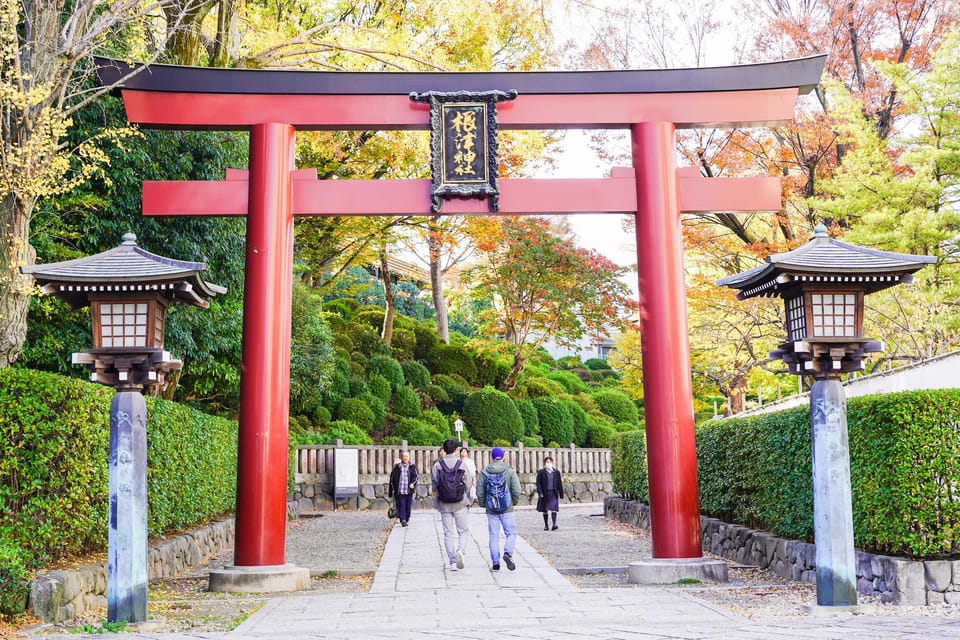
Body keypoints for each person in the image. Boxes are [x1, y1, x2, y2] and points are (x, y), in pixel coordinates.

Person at [432, 438, 475, 572]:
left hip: (444, 503)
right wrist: (464, 495)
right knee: (463, 531)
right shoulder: (462, 464)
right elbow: (468, 483)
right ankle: (460, 550)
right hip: (460, 503)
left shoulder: (437, 465)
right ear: (456, 450)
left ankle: (451, 561)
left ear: (443, 450)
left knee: (448, 533)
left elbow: (435, 485)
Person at [476, 447, 521, 571]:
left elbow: (480, 491)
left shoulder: (485, 472)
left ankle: (495, 562)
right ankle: (508, 553)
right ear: (503, 457)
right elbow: (517, 490)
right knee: (511, 532)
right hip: (507, 507)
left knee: (493, 535)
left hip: (491, 508)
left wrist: (483, 504)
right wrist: (513, 502)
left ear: (491, 457)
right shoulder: (510, 471)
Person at [388, 450, 418, 527]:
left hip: (408, 491)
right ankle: (403, 520)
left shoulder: (412, 466)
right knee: (401, 505)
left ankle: (406, 518)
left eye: (407, 456)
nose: (405, 458)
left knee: (408, 506)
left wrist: (412, 483)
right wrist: (393, 489)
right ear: (401, 457)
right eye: (404, 456)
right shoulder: (397, 467)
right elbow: (392, 478)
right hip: (400, 490)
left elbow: (416, 477)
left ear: (409, 457)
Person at [536, 456, 564, 530]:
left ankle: (554, 524)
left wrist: (561, 494)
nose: (548, 463)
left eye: (550, 462)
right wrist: (540, 493)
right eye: (547, 462)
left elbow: (559, 483)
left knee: (553, 508)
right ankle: (546, 525)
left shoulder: (556, 472)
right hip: (545, 493)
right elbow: (538, 483)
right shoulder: (541, 472)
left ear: (552, 462)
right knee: (545, 509)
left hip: (553, 492)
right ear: (544, 463)